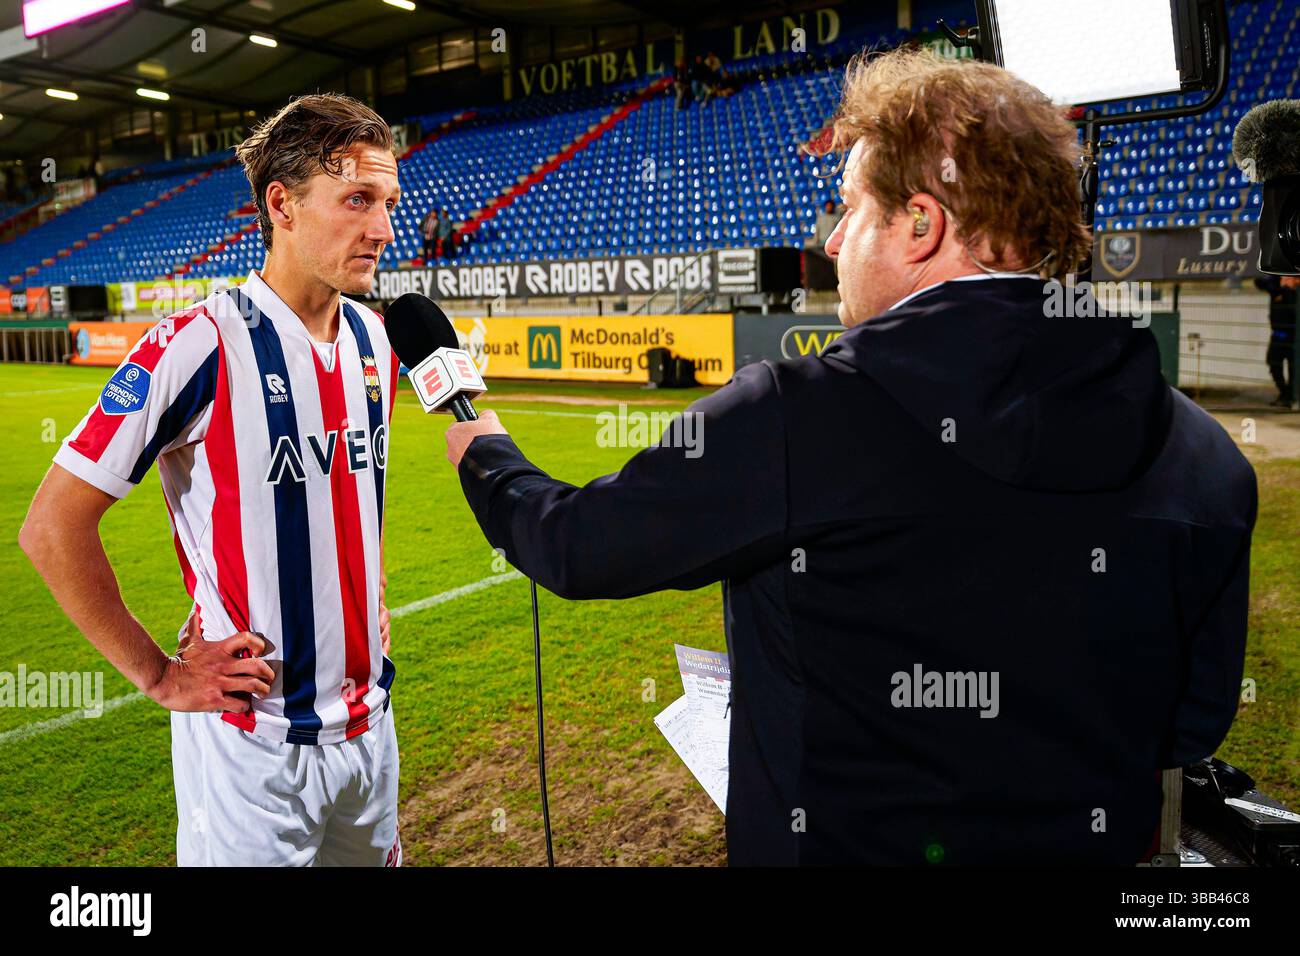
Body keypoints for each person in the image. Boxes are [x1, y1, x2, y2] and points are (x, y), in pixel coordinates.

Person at [440, 48, 1256, 865]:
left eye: (847, 210)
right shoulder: (1208, 452)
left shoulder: (795, 413)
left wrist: (487, 455)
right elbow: (1192, 722)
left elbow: (579, 546)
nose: (831, 244)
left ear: (919, 224)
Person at [20, 92, 404, 867]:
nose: (383, 229)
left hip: (372, 731)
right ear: (282, 204)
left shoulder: (376, 340)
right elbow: (52, 527)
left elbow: (351, 503)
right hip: (249, 748)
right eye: (357, 200)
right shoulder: (196, 345)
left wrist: (374, 601)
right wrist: (160, 675)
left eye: (388, 202)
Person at [1254, 273, 1298, 406]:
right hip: (1278, 335)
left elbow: (1294, 311)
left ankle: (1291, 397)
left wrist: (1288, 291)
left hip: (1294, 338)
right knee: (1274, 364)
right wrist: (1279, 288)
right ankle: (1284, 393)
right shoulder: (1277, 287)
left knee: (1294, 370)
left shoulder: (1293, 293)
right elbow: (1259, 281)